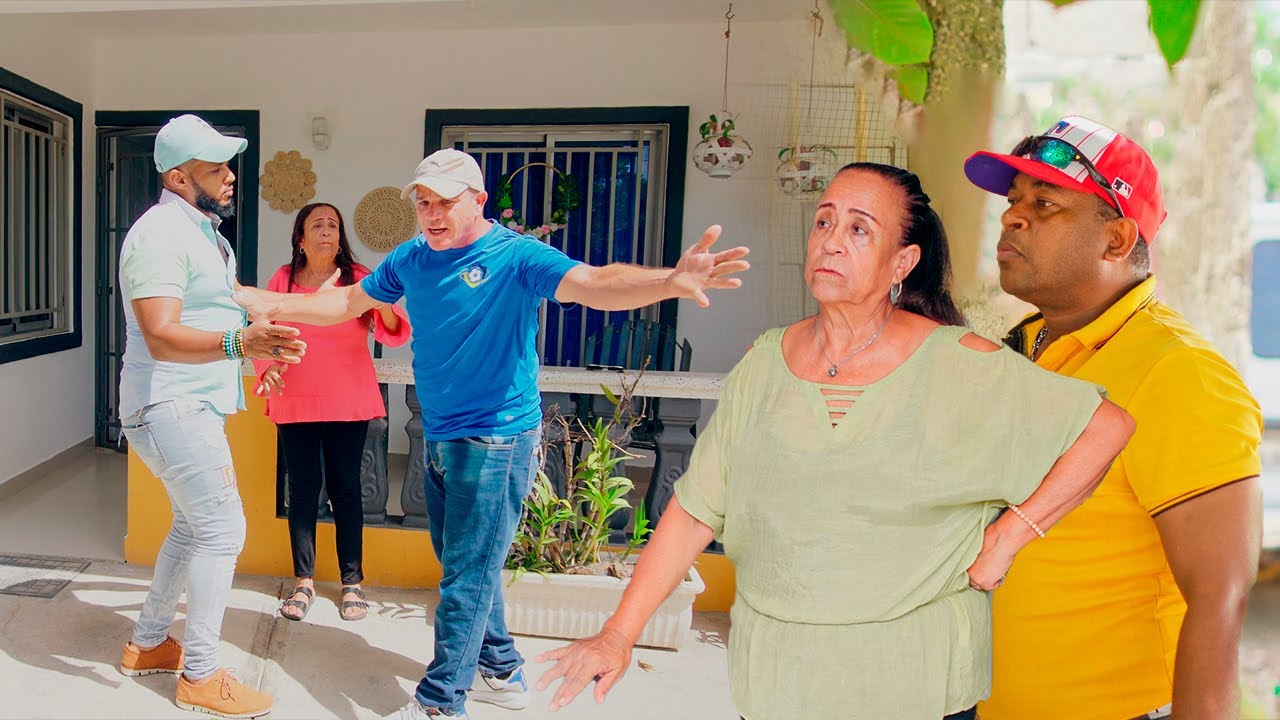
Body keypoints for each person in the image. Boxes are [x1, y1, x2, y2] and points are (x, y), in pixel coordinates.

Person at [535, 162, 1138, 720]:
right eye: (824, 222)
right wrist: (618, 634)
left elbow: (1106, 425)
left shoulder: (958, 362)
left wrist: (1009, 538)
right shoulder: (765, 362)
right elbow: (696, 511)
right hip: (778, 684)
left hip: (914, 685)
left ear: (902, 263)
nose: (830, 241)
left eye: (858, 229)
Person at [233, 148, 751, 719]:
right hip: (441, 435)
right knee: (467, 564)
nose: (432, 214)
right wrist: (267, 300)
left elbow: (594, 282)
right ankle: (500, 671)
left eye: (444, 202)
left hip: (497, 440)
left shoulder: (516, 256)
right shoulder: (412, 257)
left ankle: (440, 703)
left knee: (464, 576)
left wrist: (670, 281)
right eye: (423, 203)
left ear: (478, 200)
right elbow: (348, 301)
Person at [964, 116, 1265, 720]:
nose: (1012, 217)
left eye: (1045, 204)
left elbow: (1219, 598)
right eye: (1013, 201)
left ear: (1117, 239)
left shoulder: (1178, 373)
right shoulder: (1021, 347)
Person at [116, 114, 303, 719]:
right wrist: (240, 344)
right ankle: (199, 673)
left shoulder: (206, 236)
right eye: (215, 168)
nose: (230, 177)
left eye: (228, 166)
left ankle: (148, 643)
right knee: (222, 531)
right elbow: (161, 332)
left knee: (194, 527)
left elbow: (223, 309)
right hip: (170, 403)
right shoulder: (159, 234)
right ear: (177, 177)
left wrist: (256, 349)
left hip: (187, 403)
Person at [254, 202, 411, 623]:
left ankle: (351, 583)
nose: (326, 231)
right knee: (302, 490)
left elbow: (393, 334)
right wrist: (268, 367)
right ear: (301, 239)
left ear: (340, 238)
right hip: (295, 399)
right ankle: (303, 581)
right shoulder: (283, 280)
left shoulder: (359, 278)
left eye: (333, 225)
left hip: (347, 401)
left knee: (346, 490)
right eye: (317, 225)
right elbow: (262, 333)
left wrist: (382, 302)